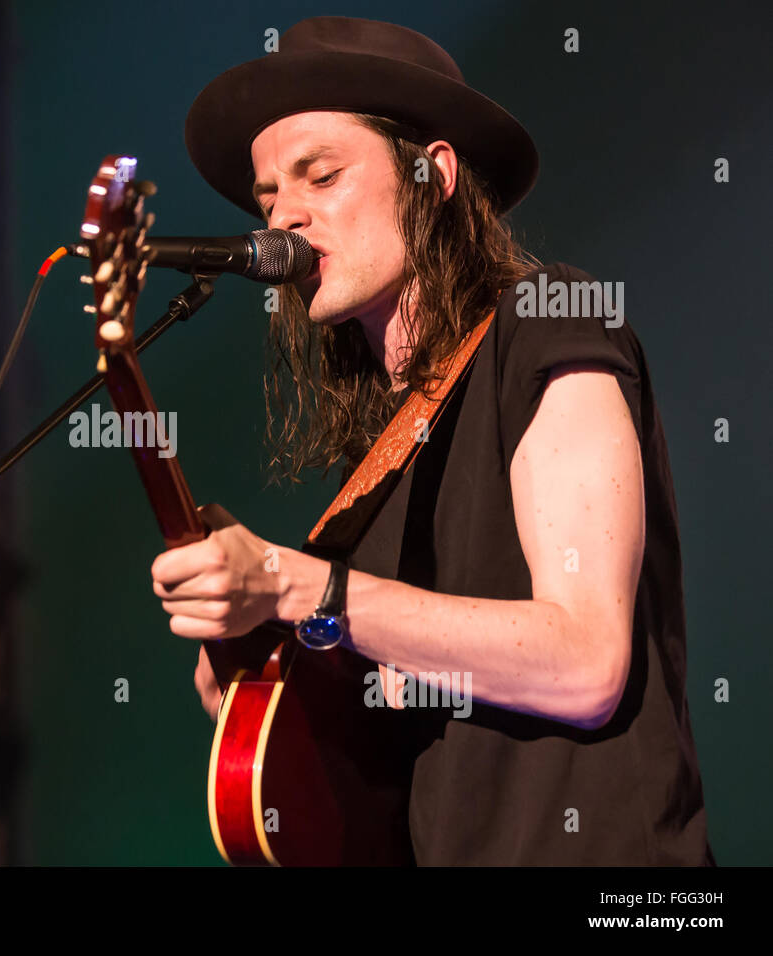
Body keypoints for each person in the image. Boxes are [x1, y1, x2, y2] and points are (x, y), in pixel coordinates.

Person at [151, 16, 714, 865]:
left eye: (321, 176)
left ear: (435, 174)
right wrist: (256, 662)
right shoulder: (382, 459)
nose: (284, 217)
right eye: (268, 201)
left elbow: (586, 663)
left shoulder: (548, 322)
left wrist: (299, 586)